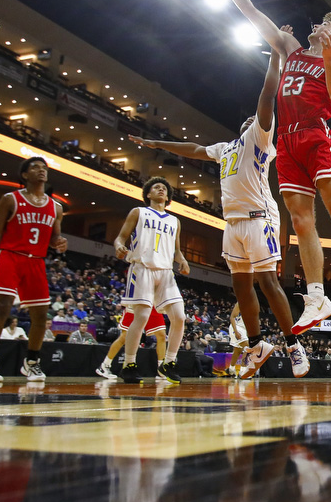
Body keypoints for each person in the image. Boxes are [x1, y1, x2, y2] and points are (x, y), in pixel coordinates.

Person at [212, 0, 331, 336]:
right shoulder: (292, 49)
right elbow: (254, 14)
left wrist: (330, 58)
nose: (315, 25)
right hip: (286, 141)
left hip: (315, 135)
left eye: (323, 23)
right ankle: (317, 297)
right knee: (301, 221)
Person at [129, 49, 310, 380]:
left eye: (255, 119)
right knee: (241, 287)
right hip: (233, 223)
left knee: (268, 282)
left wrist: (275, 59)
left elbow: (267, 95)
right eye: (246, 119)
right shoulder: (226, 148)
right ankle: (256, 345)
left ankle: (293, 345)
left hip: (259, 218)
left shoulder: (260, 138)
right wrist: (158, 143)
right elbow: (195, 149)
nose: (250, 120)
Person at [0, 157, 68, 383]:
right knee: (2, 309)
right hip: (10, 256)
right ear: (24, 175)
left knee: (41, 316)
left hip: (36, 261)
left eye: (44, 168)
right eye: (35, 167)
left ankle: (31, 362)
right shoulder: (10, 199)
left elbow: (54, 237)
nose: (41, 170)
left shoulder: (56, 207)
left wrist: (59, 242)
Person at [113, 177, 189, 384]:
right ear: (148, 194)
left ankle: (169, 363)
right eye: (157, 187)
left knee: (179, 317)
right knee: (142, 316)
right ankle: (129, 364)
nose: (161, 189)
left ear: (168, 196)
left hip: (166, 272)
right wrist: (119, 246)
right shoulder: (138, 212)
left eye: (164, 188)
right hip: (142, 267)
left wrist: (182, 260)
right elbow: (120, 237)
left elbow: (177, 250)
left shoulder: (175, 221)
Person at [95, 307, 168, 380]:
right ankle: (105, 365)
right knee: (124, 337)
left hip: (153, 306)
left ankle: (161, 370)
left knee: (161, 335)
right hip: (136, 305)